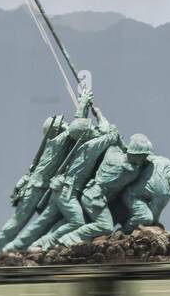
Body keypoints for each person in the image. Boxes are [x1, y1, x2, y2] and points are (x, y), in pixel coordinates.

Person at [7, 104, 121, 252]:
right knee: (77, 222)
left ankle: (16, 246)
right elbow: (111, 134)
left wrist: (84, 105)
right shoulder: (90, 147)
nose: (94, 130)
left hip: (60, 190)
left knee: (42, 223)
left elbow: (81, 127)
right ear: (85, 135)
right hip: (67, 193)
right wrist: (99, 115)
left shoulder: (79, 144)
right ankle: (46, 243)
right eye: (90, 129)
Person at [0, 110, 92, 259]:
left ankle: (18, 247)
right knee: (17, 221)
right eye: (63, 123)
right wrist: (83, 104)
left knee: (43, 221)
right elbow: (77, 127)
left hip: (42, 188)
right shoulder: (58, 141)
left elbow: (78, 128)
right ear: (58, 129)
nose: (66, 124)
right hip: (35, 188)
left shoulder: (57, 141)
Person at [57, 133, 152, 246]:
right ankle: (70, 238)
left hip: (93, 194)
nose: (145, 158)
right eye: (143, 155)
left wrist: (117, 139)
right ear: (135, 154)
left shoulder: (114, 155)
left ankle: (84, 240)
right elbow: (133, 170)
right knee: (105, 226)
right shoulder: (126, 170)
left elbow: (115, 145)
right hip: (95, 198)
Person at [123, 154, 170, 230]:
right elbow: (154, 214)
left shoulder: (165, 162)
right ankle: (124, 231)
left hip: (128, 184)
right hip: (132, 197)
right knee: (146, 218)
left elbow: (146, 156)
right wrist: (156, 225)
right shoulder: (164, 193)